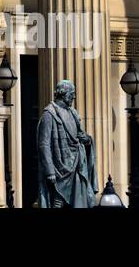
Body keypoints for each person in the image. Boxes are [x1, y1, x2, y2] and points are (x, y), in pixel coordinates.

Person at [37, 79, 98, 208]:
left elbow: (82, 136)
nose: (74, 96)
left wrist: (87, 140)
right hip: (60, 168)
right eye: (72, 93)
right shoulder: (49, 114)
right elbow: (44, 145)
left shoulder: (73, 113)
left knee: (79, 201)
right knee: (58, 202)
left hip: (77, 165)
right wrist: (50, 171)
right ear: (63, 93)